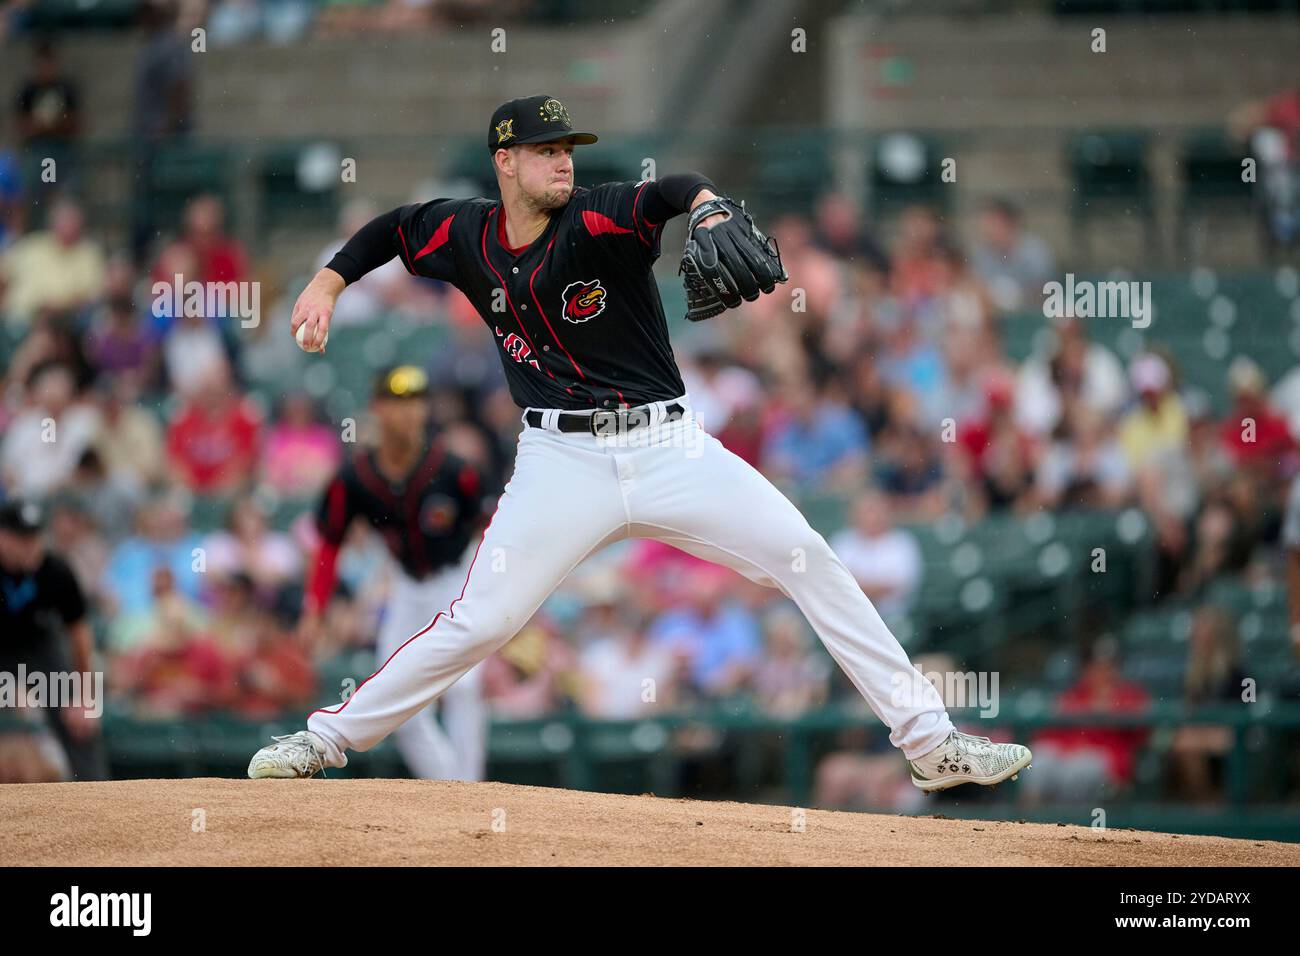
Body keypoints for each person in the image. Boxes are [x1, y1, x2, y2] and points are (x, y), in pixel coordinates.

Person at [248, 94, 1032, 791]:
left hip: (670, 449)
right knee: (481, 622)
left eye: (568, 150)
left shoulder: (595, 217)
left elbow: (669, 190)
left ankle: (930, 743)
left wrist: (712, 206)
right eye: (547, 151)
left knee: (809, 558)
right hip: (561, 461)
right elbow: (392, 229)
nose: (563, 162)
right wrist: (328, 280)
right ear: (505, 162)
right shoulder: (465, 232)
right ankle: (323, 739)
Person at [299, 365, 491, 781]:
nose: (411, 412)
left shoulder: (455, 469)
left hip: (457, 579)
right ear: (378, 408)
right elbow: (330, 543)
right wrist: (315, 609)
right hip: (405, 585)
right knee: (395, 694)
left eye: (417, 402)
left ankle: (473, 788)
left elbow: (491, 528)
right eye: (399, 402)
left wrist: (496, 591)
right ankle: (454, 789)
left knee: (465, 688)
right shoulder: (355, 477)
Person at [0, 500, 106, 780]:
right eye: (22, 537)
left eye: (35, 536)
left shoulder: (56, 571)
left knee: (77, 719)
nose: (31, 545)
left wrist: (84, 697)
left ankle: (95, 799)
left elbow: (80, 636)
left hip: (39, 648)